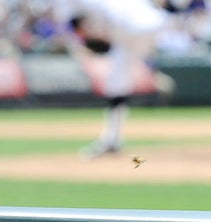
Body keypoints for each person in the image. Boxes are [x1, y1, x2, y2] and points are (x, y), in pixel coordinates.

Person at [58, 0, 170, 158]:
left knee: (117, 82)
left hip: (134, 27)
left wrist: (84, 41)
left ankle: (112, 140)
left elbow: (78, 26)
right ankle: (112, 140)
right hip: (150, 23)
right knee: (118, 83)